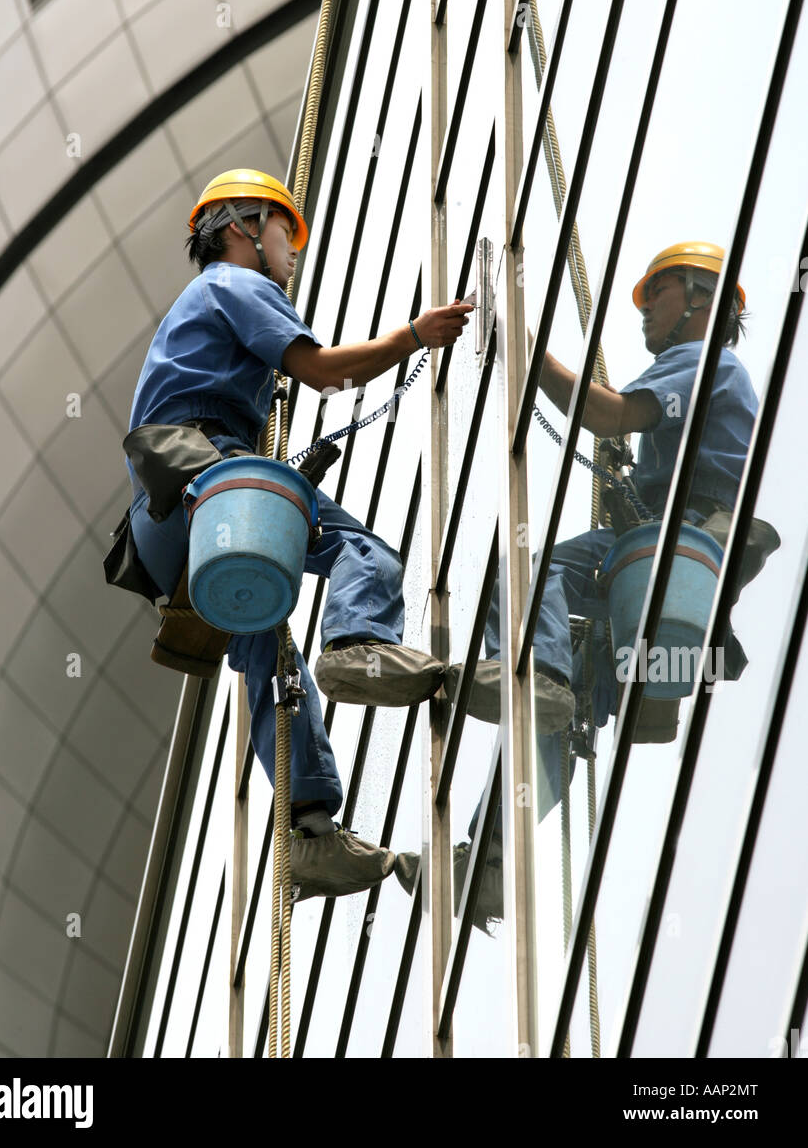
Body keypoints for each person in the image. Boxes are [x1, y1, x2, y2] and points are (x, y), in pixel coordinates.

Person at [397, 242, 780, 925]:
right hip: (659, 556)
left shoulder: (707, 362)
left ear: (699, 296)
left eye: (656, 295)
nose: (644, 315)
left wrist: (526, 351)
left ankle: (540, 679)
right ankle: (489, 863)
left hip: (672, 545)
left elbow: (609, 414)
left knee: (523, 580)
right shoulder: (699, 372)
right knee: (566, 707)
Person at [123, 168, 475, 901]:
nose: (292, 252)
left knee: (265, 646)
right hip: (207, 476)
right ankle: (355, 648)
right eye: (284, 232)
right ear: (241, 227)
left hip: (164, 524)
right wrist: (416, 335)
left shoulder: (202, 305)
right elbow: (319, 372)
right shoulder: (234, 284)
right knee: (364, 549)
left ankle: (309, 833)